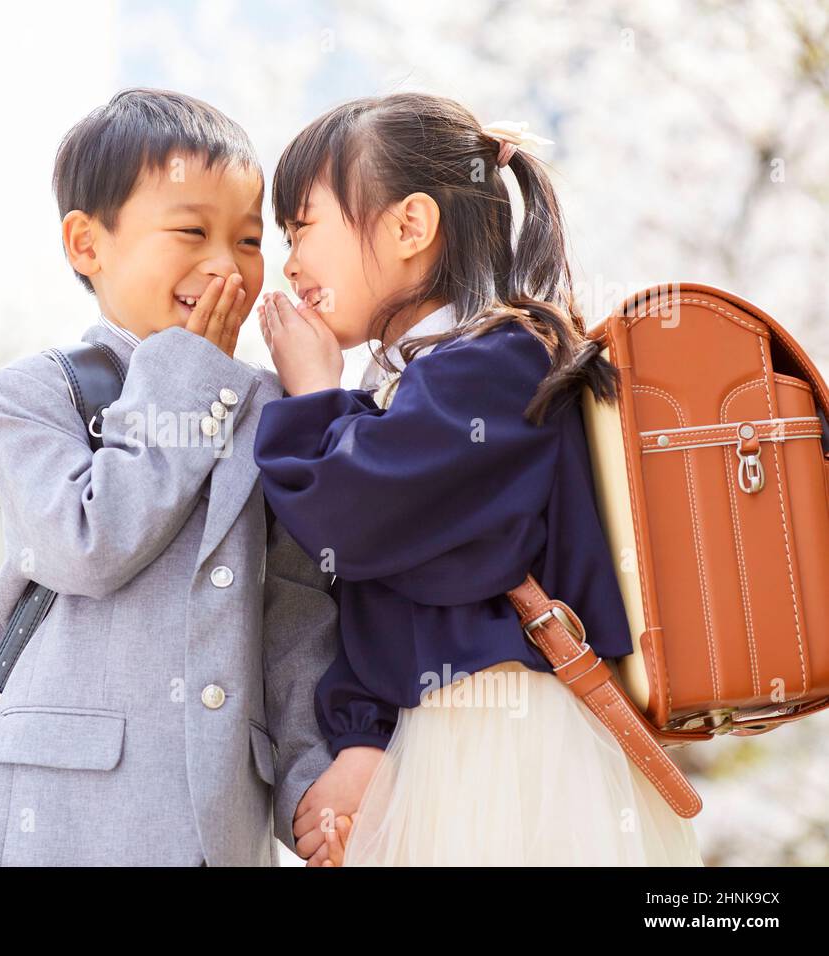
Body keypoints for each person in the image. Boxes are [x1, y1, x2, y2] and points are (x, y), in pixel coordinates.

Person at [252, 92, 704, 866]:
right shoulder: (427, 384)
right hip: (449, 749)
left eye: (303, 227)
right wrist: (360, 741)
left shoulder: (498, 361)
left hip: (508, 753)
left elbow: (350, 519)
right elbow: (388, 603)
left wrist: (313, 395)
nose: (288, 262)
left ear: (410, 227)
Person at [0, 88, 343, 866]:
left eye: (245, 239)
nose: (224, 263)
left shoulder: (267, 404)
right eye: (191, 232)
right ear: (86, 243)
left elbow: (295, 614)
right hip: (64, 815)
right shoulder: (32, 394)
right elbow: (87, 545)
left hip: (218, 822)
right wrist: (188, 380)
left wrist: (310, 783)